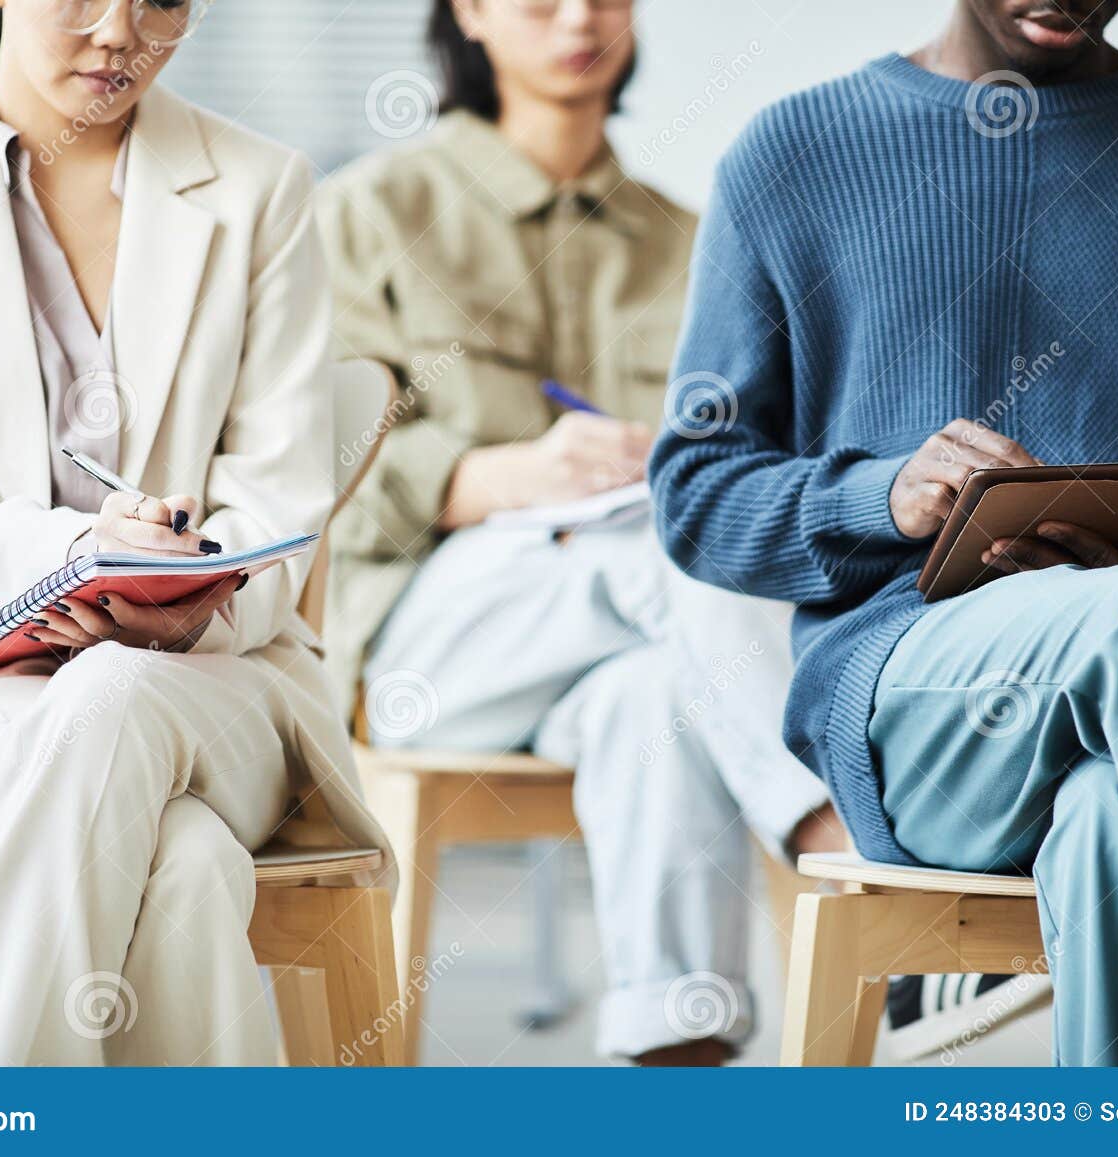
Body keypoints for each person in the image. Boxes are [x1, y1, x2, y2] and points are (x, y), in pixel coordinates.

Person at [651, 0, 1118, 1066]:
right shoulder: (793, 155)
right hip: (925, 713)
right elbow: (696, 491)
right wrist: (882, 497)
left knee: (1114, 818)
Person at [0, 0, 390, 1064]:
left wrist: (181, 597)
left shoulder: (261, 191)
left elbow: (281, 497)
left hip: (219, 685)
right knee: (189, 859)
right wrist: (74, 561)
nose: (120, 31)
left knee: (115, 696)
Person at [320, 0, 846, 1066]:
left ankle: (676, 1034)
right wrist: (493, 476)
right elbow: (305, 476)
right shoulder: (367, 211)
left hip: (628, 632)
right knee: (671, 553)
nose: (579, 19)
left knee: (655, 694)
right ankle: (848, 844)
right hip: (428, 643)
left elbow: (762, 460)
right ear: (467, 12)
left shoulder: (690, 239)